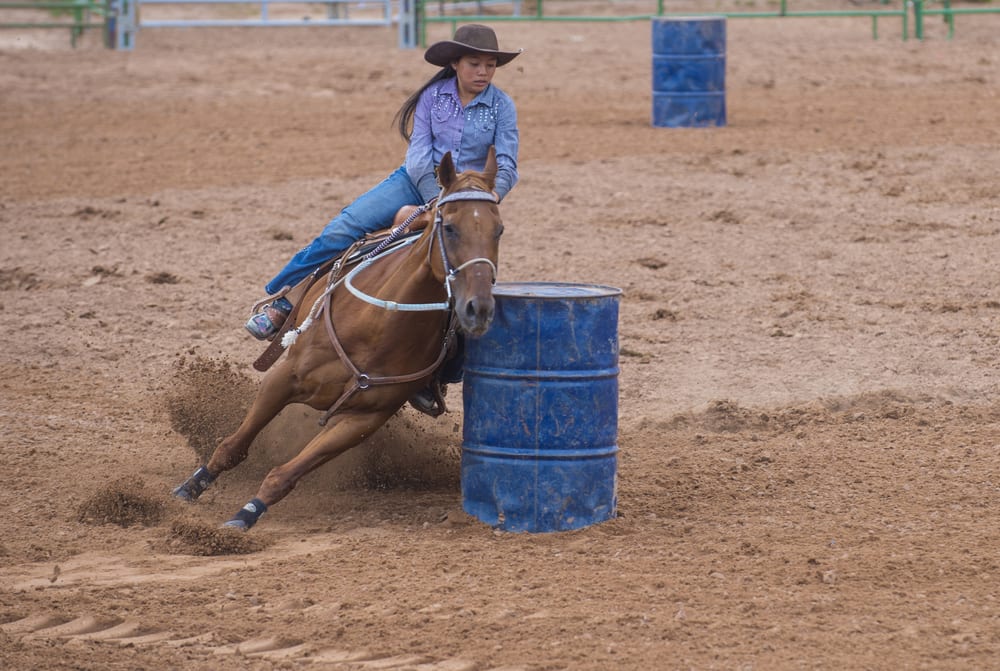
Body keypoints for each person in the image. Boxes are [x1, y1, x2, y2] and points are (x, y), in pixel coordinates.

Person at [245, 24, 522, 340]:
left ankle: (447, 361)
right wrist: (439, 199)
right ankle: (281, 303)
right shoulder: (432, 98)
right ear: (455, 64)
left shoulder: (502, 106)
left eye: (490, 65)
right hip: (415, 182)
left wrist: (490, 196)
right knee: (343, 228)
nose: (483, 72)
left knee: (473, 265)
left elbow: (507, 165)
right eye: (475, 64)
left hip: (470, 198)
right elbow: (418, 159)